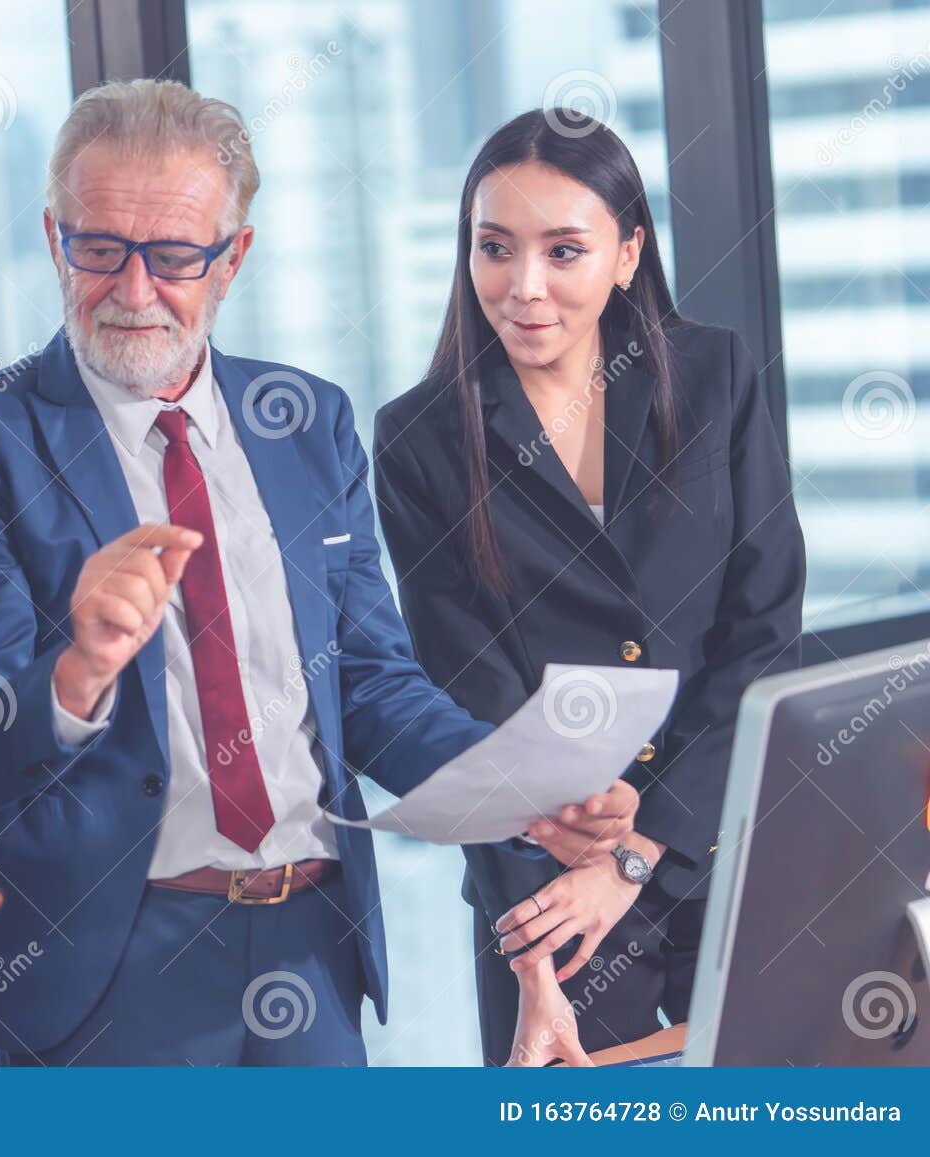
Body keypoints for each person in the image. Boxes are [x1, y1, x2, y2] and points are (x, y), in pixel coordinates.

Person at [0, 78, 631, 1066]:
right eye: (99, 250)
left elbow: (372, 682)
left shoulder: (305, 419)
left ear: (234, 257)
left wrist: (525, 788)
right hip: (102, 969)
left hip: (310, 948)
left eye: (176, 256)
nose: (133, 291)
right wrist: (80, 667)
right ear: (56, 238)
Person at [373, 109, 805, 1066]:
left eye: (564, 249)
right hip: (548, 886)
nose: (524, 287)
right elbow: (467, 701)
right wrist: (540, 932)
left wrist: (642, 846)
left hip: (725, 849)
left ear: (627, 253)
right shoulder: (420, 440)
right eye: (495, 248)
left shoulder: (713, 374)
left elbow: (763, 630)